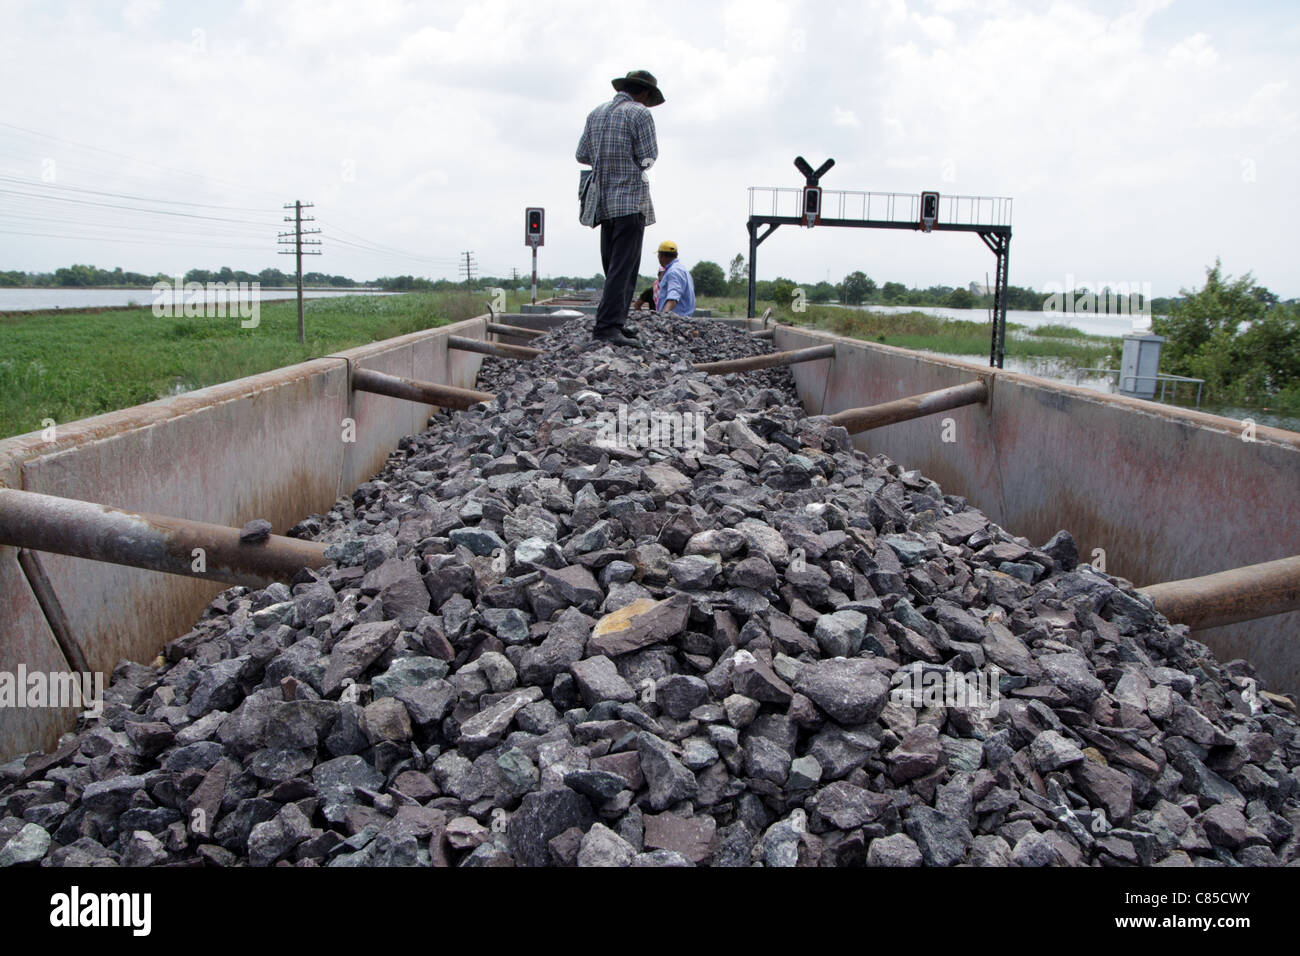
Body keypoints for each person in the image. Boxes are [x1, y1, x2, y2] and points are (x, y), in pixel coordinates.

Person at [576, 70, 663, 346]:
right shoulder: (640, 114)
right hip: (629, 201)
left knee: (613, 267)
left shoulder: (596, 113)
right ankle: (608, 327)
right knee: (623, 269)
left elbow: (581, 154)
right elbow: (649, 157)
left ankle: (615, 322)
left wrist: (606, 160)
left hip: (602, 203)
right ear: (645, 93)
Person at [655, 240, 695, 317]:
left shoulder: (673, 272)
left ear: (661, 256)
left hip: (675, 320)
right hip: (685, 319)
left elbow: (673, 297)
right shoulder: (682, 270)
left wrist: (663, 317)